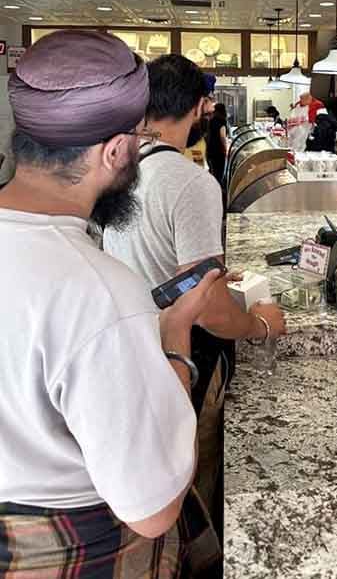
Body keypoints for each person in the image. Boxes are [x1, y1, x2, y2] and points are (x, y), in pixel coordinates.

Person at [0, 29, 220, 577]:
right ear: (117, 150)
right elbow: (153, 509)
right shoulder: (99, 291)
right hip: (77, 546)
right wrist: (174, 336)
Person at [104, 54, 286, 517]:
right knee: (191, 468)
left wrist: (216, 277)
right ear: (198, 107)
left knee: (153, 466)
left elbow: (156, 258)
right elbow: (209, 311)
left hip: (130, 344)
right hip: (186, 353)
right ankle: (196, 547)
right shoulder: (191, 182)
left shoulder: (121, 168)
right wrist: (259, 325)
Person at [206, 101, 229, 184]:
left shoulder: (211, 120)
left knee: (213, 172)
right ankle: (218, 189)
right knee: (219, 174)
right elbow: (222, 137)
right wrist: (226, 149)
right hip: (218, 151)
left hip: (210, 150)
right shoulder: (222, 121)